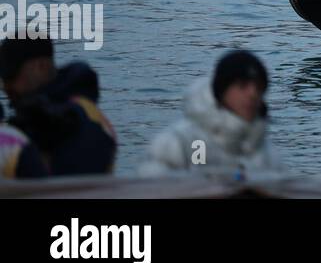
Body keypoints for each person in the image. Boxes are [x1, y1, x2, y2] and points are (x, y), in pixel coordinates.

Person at [139, 51, 280, 176]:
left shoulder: (262, 146)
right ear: (222, 91)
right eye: (242, 86)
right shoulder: (191, 141)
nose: (252, 94)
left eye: (259, 87)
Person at [0, 38, 116, 176]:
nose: (6, 87)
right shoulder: (83, 112)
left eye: (11, 77)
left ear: (40, 67)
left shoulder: (85, 120)